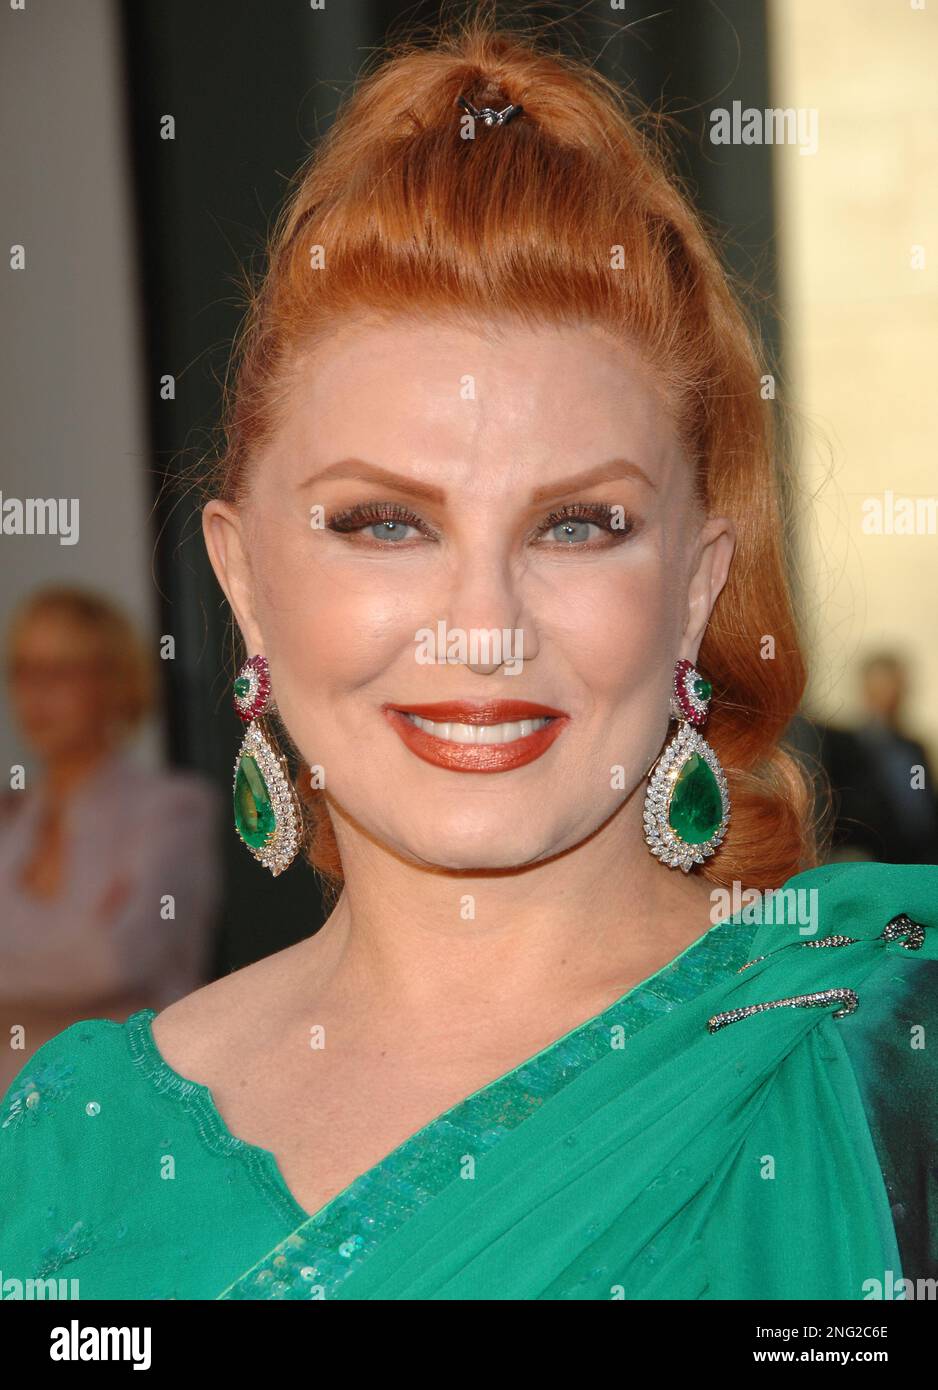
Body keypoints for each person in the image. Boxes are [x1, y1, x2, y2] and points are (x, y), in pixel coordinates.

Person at [1, 15, 935, 1301]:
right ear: (243, 583)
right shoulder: (68, 1151)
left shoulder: (891, 1037)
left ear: (693, 591)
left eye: (577, 525)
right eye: (384, 523)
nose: (480, 625)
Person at [0, 586, 221, 1094]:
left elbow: (112, 960)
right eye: (23, 670)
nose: (37, 692)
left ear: (115, 681)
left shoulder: (172, 809)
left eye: (63, 671)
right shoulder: (11, 819)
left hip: (125, 1105)